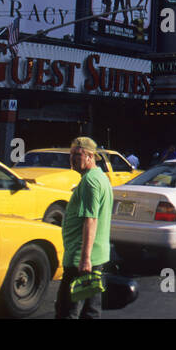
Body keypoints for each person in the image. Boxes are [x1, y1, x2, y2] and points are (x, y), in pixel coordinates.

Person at [57, 136, 113, 319]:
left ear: (90, 156)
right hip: (94, 257)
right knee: (90, 311)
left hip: (81, 260)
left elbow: (91, 219)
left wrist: (84, 258)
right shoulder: (100, 178)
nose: (72, 159)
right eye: (71, 154)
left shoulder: (90, 181)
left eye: (77, 154)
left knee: (67, 310)